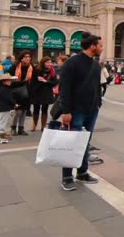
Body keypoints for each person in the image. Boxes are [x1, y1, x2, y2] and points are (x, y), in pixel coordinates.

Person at [59, 32, 104, 191]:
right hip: (75, 110)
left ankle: (82, 172)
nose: (101, 48)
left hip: (91, 109)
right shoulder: (72, 63)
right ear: (92, 46)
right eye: (100, 46)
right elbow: (64, 88)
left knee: (84, 142)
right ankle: (66, 176)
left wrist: (98, 102)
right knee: (72, 142)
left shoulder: (95, 64)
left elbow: (97, 86)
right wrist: (66, 111)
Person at [30, 57, 58, 132]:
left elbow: (55, 82)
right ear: (43, 63)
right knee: (36, 109)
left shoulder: (52, 71)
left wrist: (45, 81)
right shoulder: (37, 70)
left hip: (47, 92)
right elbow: (32, 82)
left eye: (50, 62)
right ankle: (34, 124)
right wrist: (38, 82)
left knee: (45, 109)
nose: (49, 64)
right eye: (47, 62)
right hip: (37, 92)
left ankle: (43, 125)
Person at [11, 52, 34, 135]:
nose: (28, 58)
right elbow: (9, 78)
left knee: (24, 110)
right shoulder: (15, 66)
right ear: (21, 58)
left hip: (27, 91)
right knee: (17, 111)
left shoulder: (31, 67)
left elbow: (34, 79)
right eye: (26, 57)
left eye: (29, 57)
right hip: (16, 90)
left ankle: (21, 128)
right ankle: (13, 127)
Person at [0, 73, 19, 143]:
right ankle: (2, 135)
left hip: (2, 106)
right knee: (3, 121)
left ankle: (0, 133)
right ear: (4, 82)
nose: (10, 82)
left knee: (2, 120)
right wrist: (14, 103)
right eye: (8, 81)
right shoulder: (5, 89)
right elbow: (8, 98)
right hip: (5, 107)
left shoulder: (1, 88)